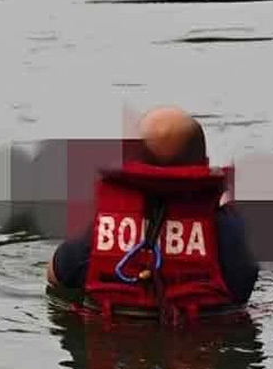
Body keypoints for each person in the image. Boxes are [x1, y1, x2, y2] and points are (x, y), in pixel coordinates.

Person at [46, 106, 259, 314]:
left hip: (109, 342)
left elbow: (55, 278)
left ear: (133, 166)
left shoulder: (101, 228)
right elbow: (242, 288)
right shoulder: (232, 235)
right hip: (201, 341)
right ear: (202, 165)